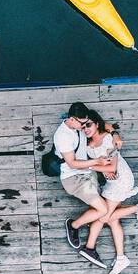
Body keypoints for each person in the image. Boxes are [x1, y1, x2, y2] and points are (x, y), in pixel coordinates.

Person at [76, 110, 138, 274]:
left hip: (122, 179)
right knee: (113, 219)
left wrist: (90, 166)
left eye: (89, 125)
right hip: (110, 182)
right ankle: (121, 257)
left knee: (104, 217)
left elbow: (112, 168)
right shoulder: (87, 144)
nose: (86, 129)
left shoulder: (107, 139)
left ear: (96, 124)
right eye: (83, 126)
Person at [52, 102, 111, 243]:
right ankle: (73, 225)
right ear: (72, 119)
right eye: (82, 124)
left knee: (100, 206)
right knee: (103, 210)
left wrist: (115, 136)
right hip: (73, 178)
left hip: (87, 172)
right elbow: (72, 163)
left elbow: (105, 124)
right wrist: (97, 161)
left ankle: (91, 219)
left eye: (86, 123)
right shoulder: (63, 136)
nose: (84, 127)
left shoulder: (79, 122)